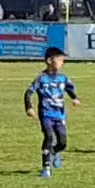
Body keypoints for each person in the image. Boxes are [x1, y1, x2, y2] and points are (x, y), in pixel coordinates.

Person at [24, 47, 82, 178]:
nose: (62, 63)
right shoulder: (41, 78)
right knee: (49, 137)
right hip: (46, 114)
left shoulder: (62, 78)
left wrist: (75, 98)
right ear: (49, 61)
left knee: (62, 142)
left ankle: (55, 152)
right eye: (60, 60)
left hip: (59, 114)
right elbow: (28, 93)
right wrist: (29, 108)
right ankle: (46, 167)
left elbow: (69, 89)